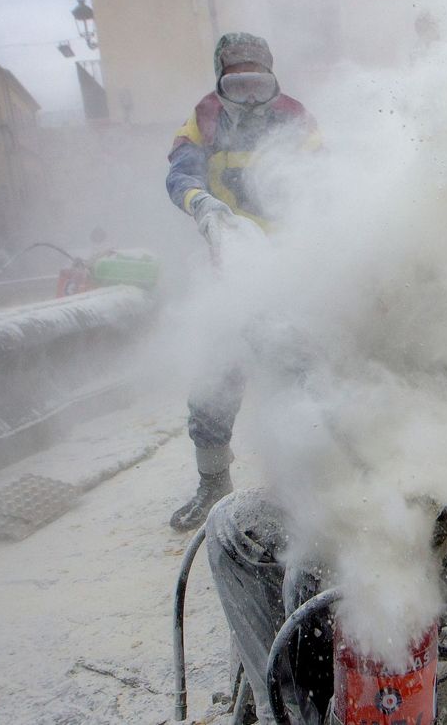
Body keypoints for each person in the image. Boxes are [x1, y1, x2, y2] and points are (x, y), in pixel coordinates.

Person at [166, 32, 320, 531]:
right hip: (228, 272)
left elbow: (326, 175)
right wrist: (201, 204)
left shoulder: (296, 116)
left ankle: (304, 486)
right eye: (240, 82)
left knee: (297, 378)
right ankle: (213, 485)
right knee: (216, 376)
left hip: (290, 272)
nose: (251, 95)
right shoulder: (205, 116)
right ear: (221, 77)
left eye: (259, 82)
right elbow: (180, 173)